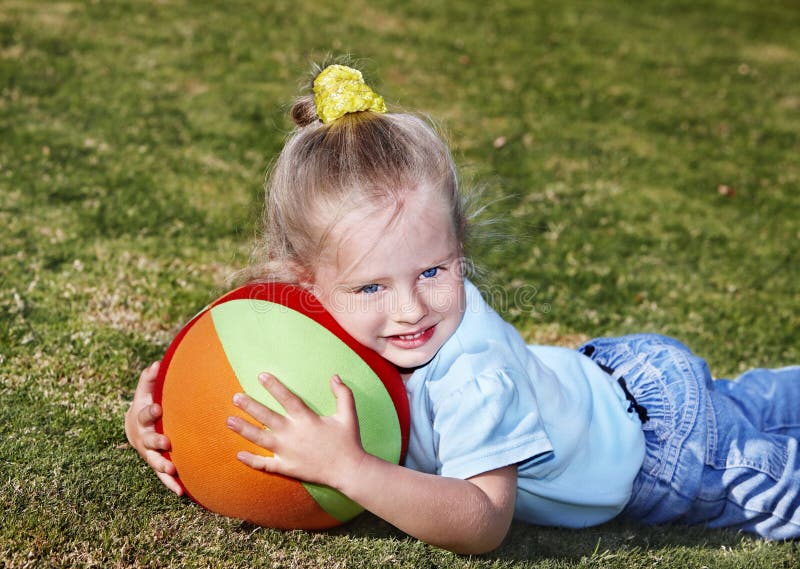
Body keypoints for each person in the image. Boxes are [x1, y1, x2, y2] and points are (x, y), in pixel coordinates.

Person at [125, 61, 800, 554]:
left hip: (668, 454)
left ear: (458, 247)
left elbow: (482, 519)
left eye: (432, 270)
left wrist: (349, 469)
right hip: (624, 376)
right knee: (758, 400)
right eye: (372, 287)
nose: (410, 309)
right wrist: (160, 413)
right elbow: (229, 342)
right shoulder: (319, 303)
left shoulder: (469, 374)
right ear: (307, 279)